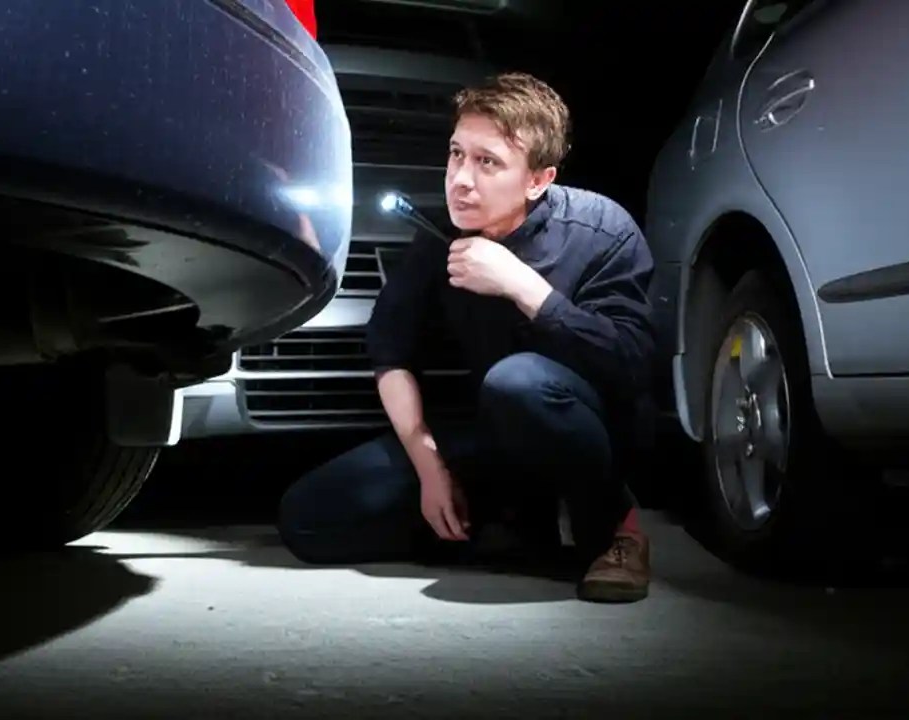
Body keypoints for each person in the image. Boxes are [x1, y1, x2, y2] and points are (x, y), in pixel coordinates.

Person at [276, 72, 657, 603]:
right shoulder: (441, 235)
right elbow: (389, 349)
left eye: (487, 162)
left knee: (518, 381)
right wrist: (429, 465)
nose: (460, 179)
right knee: (308, 519)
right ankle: (510, 529)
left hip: (587, 430)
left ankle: (617, 532)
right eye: (457, 154)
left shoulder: (601, 230)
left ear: (538, 180)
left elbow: (632, 363)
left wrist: (522, 286)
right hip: (497, 431)